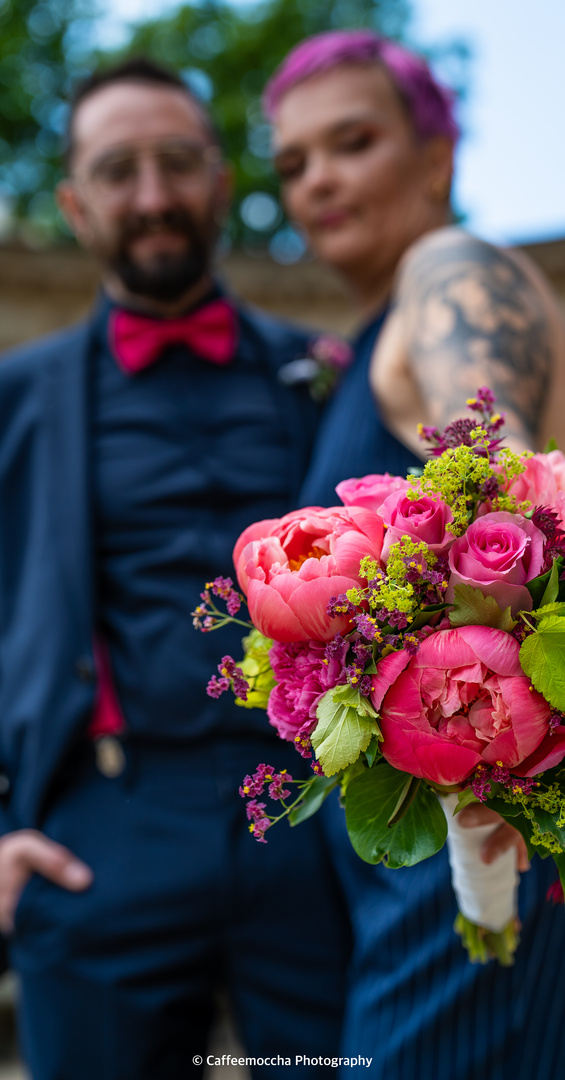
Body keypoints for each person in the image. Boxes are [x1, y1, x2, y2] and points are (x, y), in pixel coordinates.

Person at [0, 57, 351, 1080]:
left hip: (311, 824)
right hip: (101, 829)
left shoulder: (326, 377)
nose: (152, 196)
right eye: (118, 170)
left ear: (219, 178)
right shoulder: (15, 396)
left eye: (177, 162)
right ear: (75, 202)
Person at [264, 30, 565, 1080]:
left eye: (351, 143)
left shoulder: (452, 273)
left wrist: (484, 840)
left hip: (479, 851)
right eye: (292, 162)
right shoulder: (384, 330)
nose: (316, 179)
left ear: (436, 155)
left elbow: (512, 515)